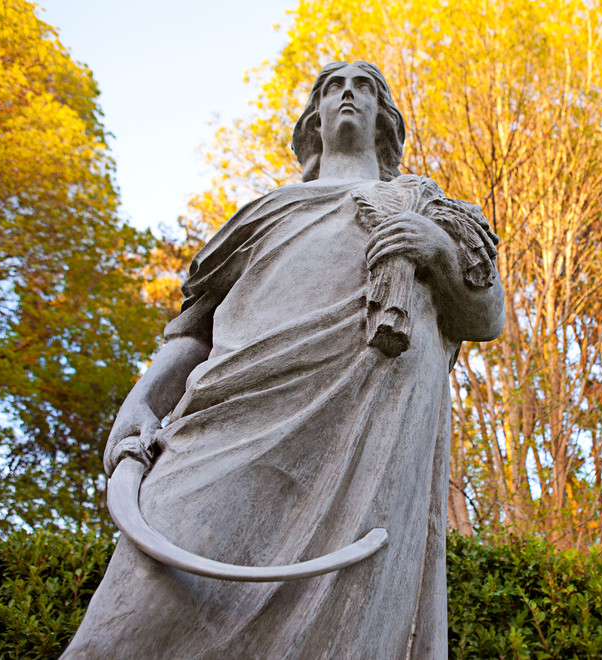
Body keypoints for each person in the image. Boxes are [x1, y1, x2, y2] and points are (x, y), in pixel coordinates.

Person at [62, 60, 504, 659]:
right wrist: (143, 400)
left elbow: (485, 317)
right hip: (227, 421)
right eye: (331, 87)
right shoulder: (263, 214)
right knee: (134, 612)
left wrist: (438, 254)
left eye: (364, 86)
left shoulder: (427, 205)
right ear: (313, 120)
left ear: (384, 121)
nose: (347, 92)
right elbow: (193, 333)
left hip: (368, 438)